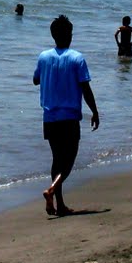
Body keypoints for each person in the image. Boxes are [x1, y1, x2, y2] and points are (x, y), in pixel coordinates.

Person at [32, 15, 99, 216]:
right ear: (69, 34)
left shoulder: (43, 57)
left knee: (57, 159)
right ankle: (51, 190)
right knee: (68, 160)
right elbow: (85, 88)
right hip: (69, 117)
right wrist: (95, 111)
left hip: (50, 117)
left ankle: (59, 204)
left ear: (53, 35)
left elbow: (36, 80)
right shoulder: (77, 58)